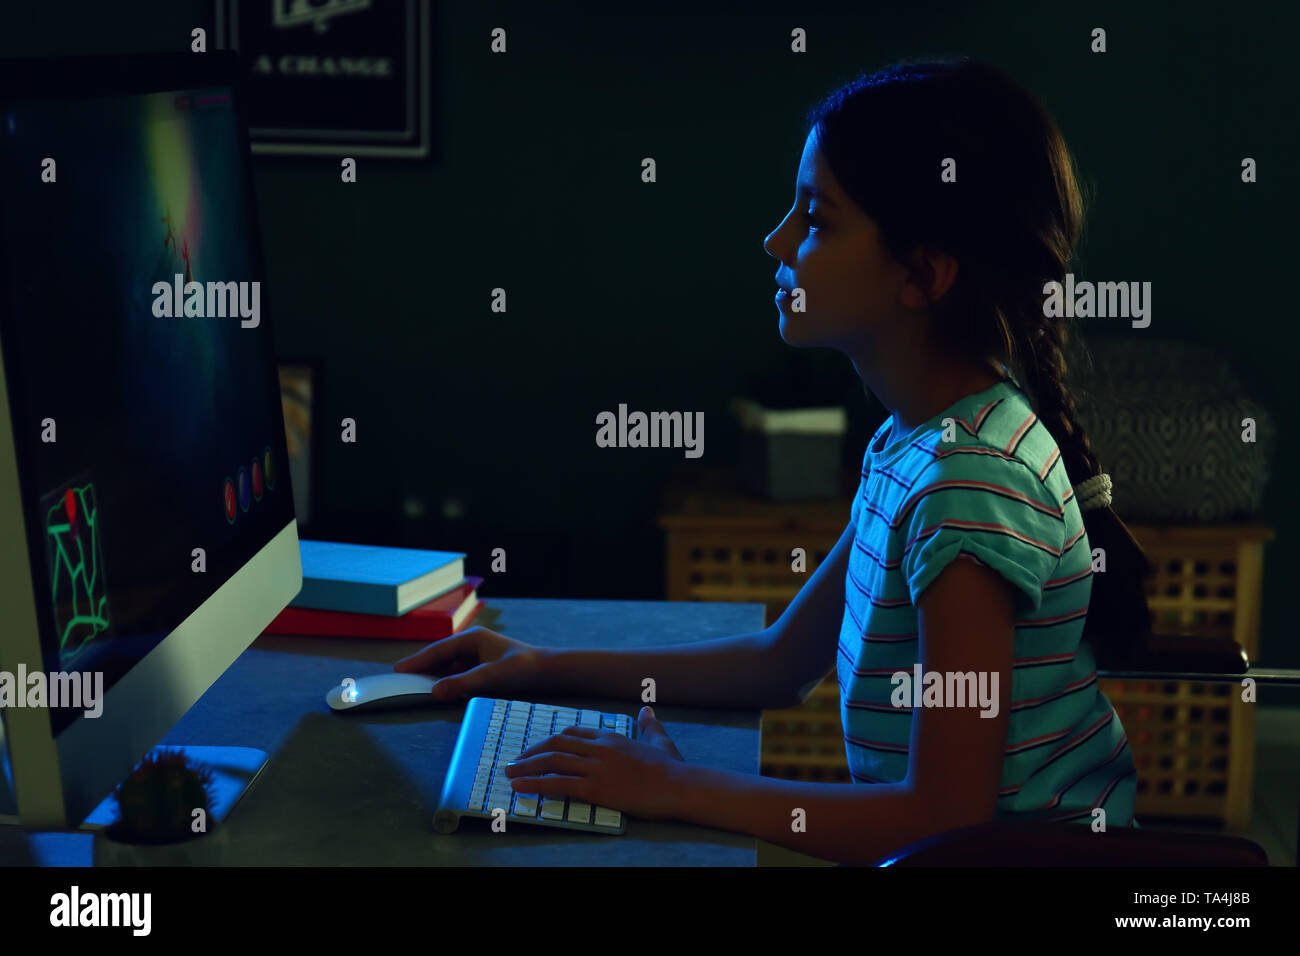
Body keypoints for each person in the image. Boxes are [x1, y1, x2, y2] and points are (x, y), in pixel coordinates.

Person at [395, 56, 1154, 866]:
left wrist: (669, 786)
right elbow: (780, 663)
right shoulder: (915, 442)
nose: (776, 240)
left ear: (924, 274)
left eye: (816, 219)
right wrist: (542, 668)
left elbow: (942, 820)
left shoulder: (968, 485)